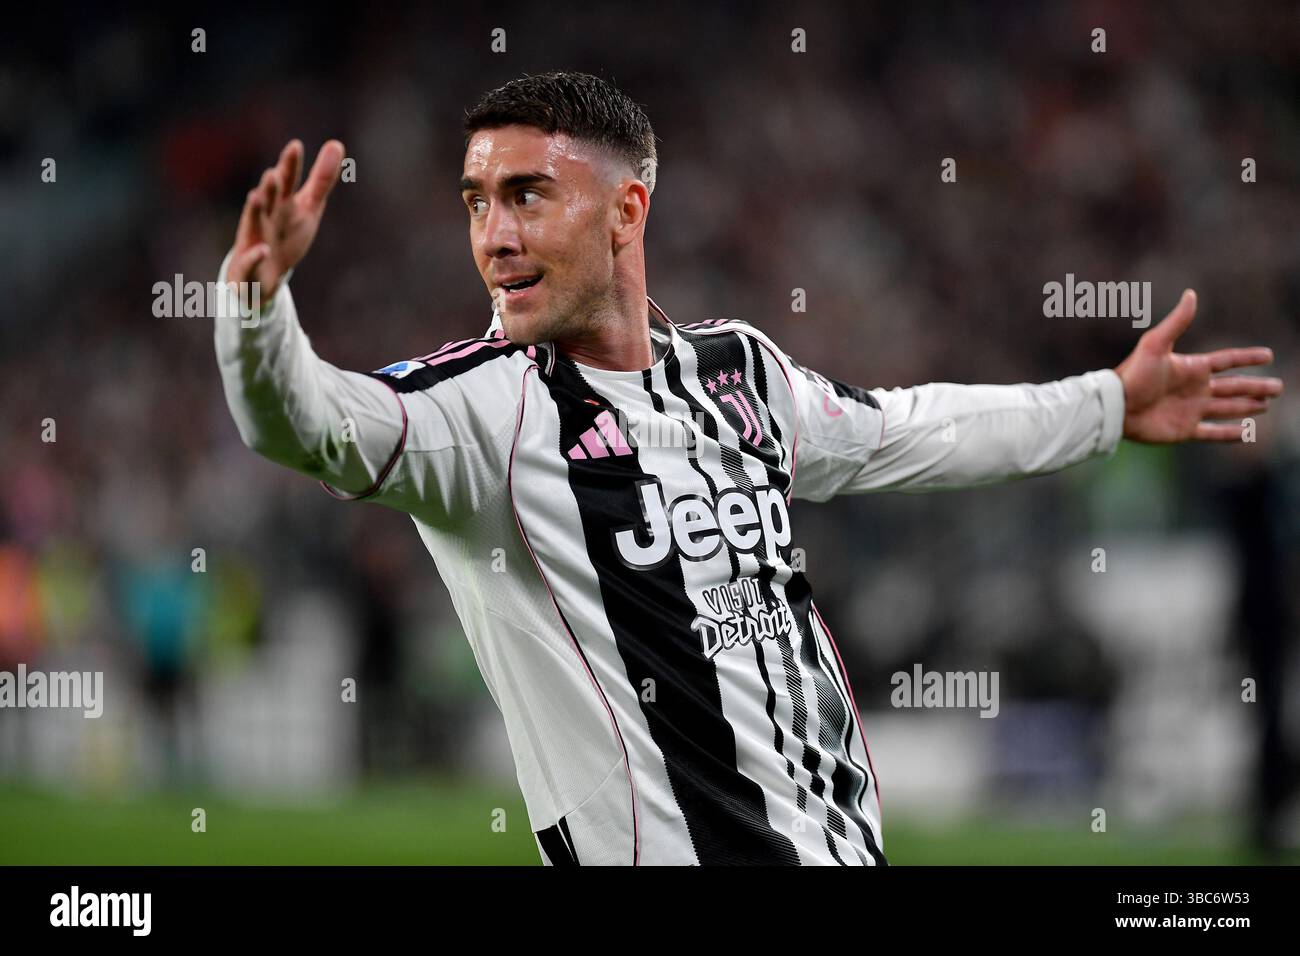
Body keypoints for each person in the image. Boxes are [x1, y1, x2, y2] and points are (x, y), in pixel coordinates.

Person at [214, 71, 1283, 865]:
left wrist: (1104, 402)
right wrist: (256, 309)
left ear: (627, 209)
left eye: (528, 194)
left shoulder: (739, 373)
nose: (493, 234)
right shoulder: (479, 412)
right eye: (475, 201)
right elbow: (306, 421)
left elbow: (914, 430)